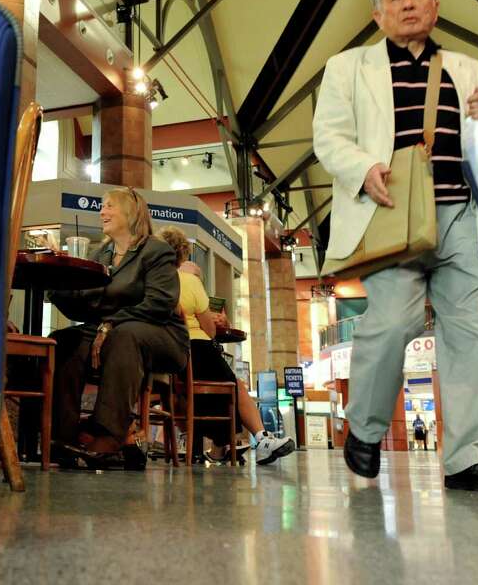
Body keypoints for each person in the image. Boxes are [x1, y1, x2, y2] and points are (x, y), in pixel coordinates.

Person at [312, 0, 478, 494]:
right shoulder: (347, 68)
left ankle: (472, 457)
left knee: (473, 329)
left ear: (435, 6)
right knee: (391, 322)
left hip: (460, 213)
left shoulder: (468, 68)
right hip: (390, 215)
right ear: (378, 13)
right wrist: (364, 169)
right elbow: (329, 138)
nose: (407, 4)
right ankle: (363, 427)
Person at [48, 187, 188, 468]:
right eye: (103, 206)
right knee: (63, 340)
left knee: (125, 335)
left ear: (131, 212)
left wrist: (110, 323)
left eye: (110, 206)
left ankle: (110, 436)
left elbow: (159, 304)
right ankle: (61, 437)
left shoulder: (156, 250)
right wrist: (56, 279)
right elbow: (83, 307)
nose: (102, 211)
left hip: (161, 333)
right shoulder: (101, 255)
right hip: (109, 332)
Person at [160, 227, 296, 466]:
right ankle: (257, 440)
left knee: (200, 390)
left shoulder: (154, 280)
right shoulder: (189, 281)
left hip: (166, 354)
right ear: (183, 255)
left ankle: (212, 446)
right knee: (234, 387)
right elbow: (210, 331)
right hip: (197, 348)